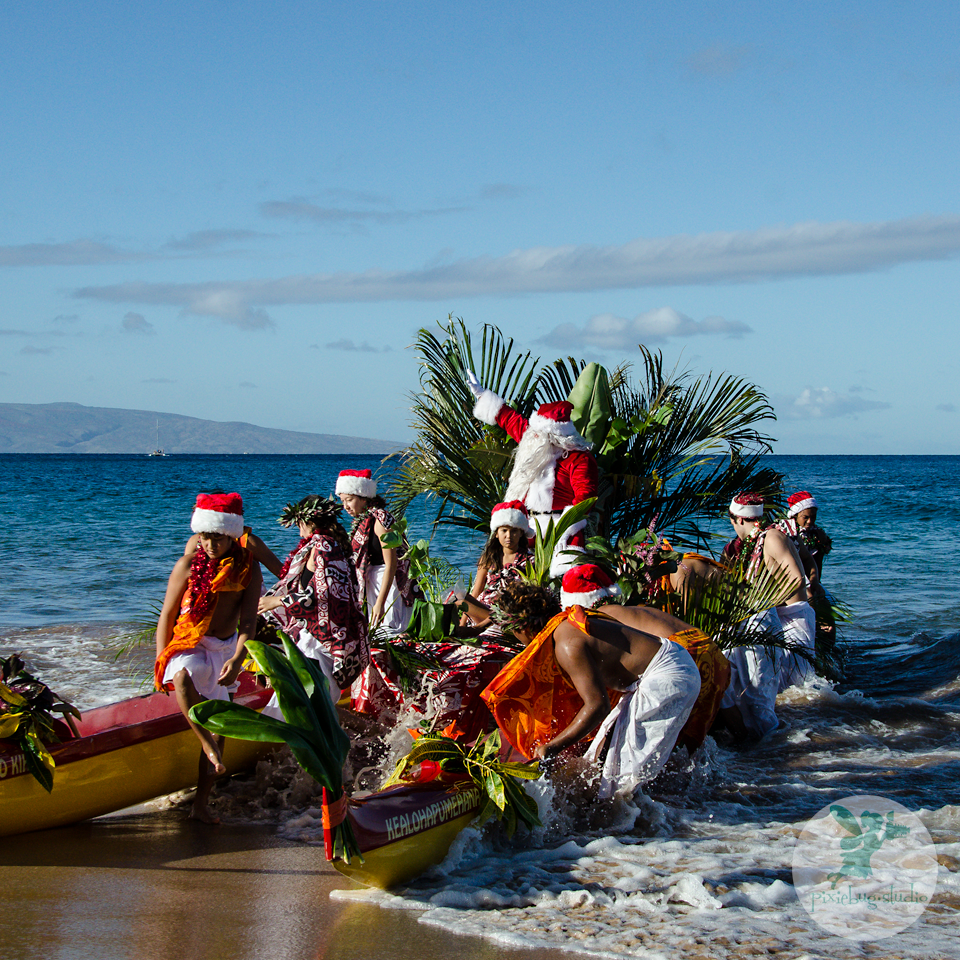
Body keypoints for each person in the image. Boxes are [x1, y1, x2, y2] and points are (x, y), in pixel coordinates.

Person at [481, 581, 701, 799]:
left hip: (668, 675)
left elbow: (598, 705)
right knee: (602, 759)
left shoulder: (566, 643)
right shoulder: (566, 624)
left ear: (524, 629)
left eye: (514, 633)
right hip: (671, 663)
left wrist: (553, 747)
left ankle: (643, 826)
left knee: (619, 785)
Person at [154, 492, 262, 823]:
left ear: (231, 535)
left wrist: (238, 657)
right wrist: (159, 661)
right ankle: (204, 743)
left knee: (220, 726)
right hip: (189, 640)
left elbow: (248, 622)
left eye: (217, 537)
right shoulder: (187, 566)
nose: (210, 544)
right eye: (205, 537)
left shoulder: (247, 571)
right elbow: (167, 615)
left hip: (226, 647)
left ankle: (200, 805)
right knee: (183, 677)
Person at [559, 564, 731, 754]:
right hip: (709, 650)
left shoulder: (600, 620)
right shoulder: (635, 609)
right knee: (691, 744)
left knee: (666, 749)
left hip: (682, 658)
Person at [465, 371, 598, 577]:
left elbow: (585, 498)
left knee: (562, 582)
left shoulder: (578, 458)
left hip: (561, 530)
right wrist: (482, 394)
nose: (531, 435)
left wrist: (565, 530)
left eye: (538, 433)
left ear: (556, 435)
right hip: (525, 528)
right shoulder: (534, 442)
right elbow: (509, 419)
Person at [257, 495, 369, 706]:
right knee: (316, 704)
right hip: (322, 633)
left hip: (320, 639)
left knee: (307, 702)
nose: (298, 529)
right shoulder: (332, 544)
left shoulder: (323, 547)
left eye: (299, 523)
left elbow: (323, 595)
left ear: (308, 522)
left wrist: (279, 601)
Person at [720, 493, 816, 734]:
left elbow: (796, 579)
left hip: (794, 618)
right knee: (779, 688)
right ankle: (785, 737)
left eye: (731, 521)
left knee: (797, 686)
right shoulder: (756, 541)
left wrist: (759, 601)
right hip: (777, 615)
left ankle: (804, 738)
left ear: (739, 519)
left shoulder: (772, 537)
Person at [336, 469, 420, 635]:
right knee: (376, 630)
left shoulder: (380, 520)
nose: (345, 506)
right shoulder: (362, 521)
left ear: (364, 497)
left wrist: (381, 601)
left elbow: (392, 563)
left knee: (390, 628)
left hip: (389, 581)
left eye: (349, 500)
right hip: (372, 580)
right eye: (342, 500)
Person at [459, 500, 533, 638]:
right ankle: (468, 628)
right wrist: (462, 625)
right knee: (458, 596)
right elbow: (476, 591)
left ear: (522, 533)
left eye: (514, 531)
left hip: (506, 615)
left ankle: (480, 629)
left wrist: (481, 626)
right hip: (483, 611)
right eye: (504, 531)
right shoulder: (488, 558)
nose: (509, 536)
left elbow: (524, 600)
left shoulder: (529, 561)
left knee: (514, 603)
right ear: (496, 533)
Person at [776, 490, 833, 581]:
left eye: (813, 517)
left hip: (813, 578)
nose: (810, 521)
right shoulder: (788, 533)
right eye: (805, 517)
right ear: (795, 515)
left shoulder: (817, 534)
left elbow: (818, 562)